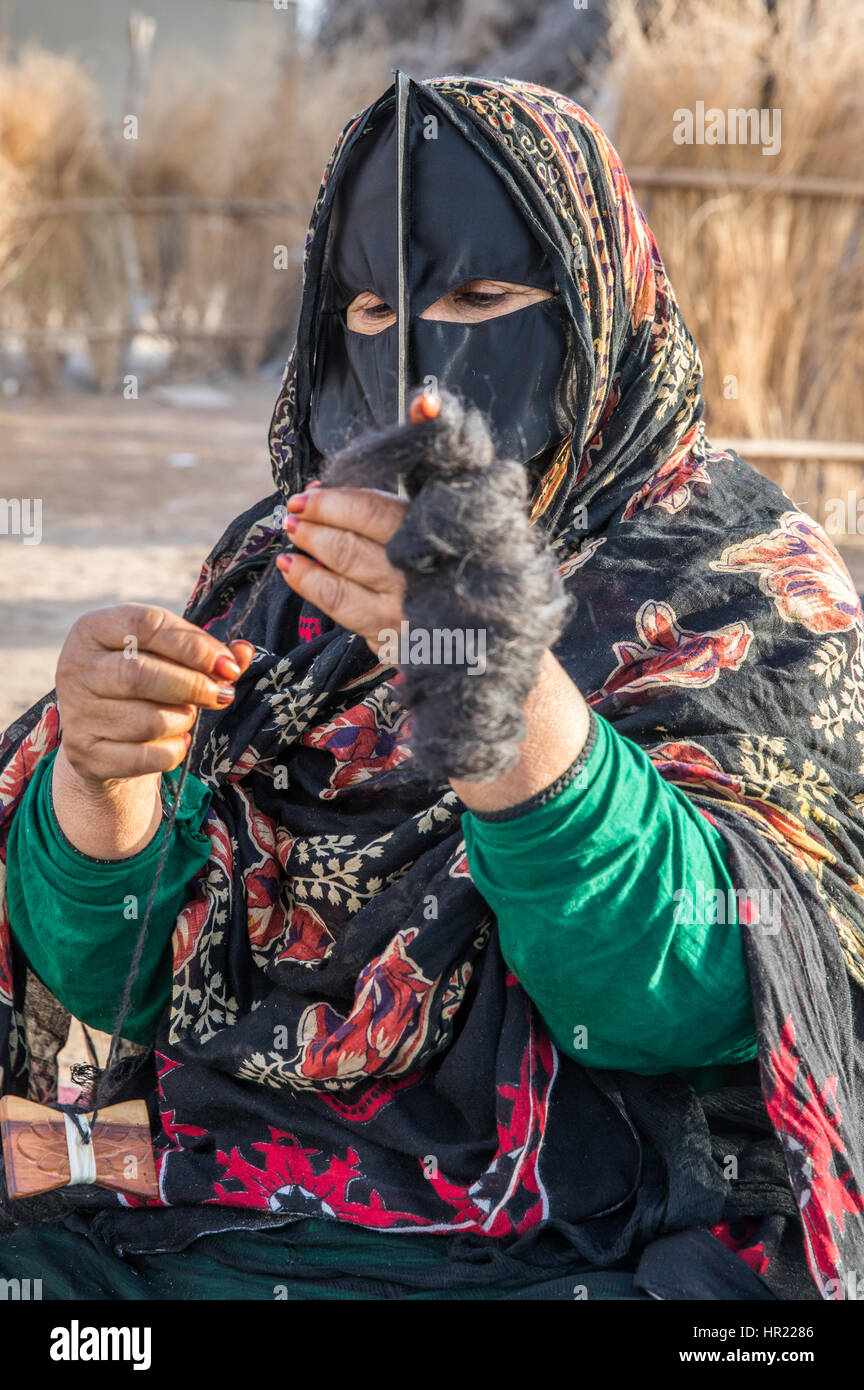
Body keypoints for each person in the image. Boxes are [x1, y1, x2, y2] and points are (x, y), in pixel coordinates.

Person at [0, 73, 863, 1301]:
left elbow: (704, 986)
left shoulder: (739, 581)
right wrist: (101, 790)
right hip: (199, 1215)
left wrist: (504, 704)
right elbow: (110, 993)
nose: (411, 367)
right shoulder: (285, 570)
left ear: (592, 310)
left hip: (564, 1241)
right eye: (368, 305)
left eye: (478, 297)